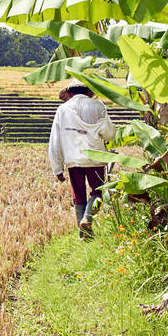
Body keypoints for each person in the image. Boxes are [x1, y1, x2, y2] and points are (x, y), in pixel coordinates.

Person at [49, 84, 115, 237]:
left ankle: (83, 236)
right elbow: (109, 134)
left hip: (73, 160)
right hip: (95, 158)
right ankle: (87, 219)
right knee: (98, 191)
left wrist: (57, 168)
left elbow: (55, 140)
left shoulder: (62, 109)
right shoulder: (98, 106)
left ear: (69, 93)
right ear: (88, 92)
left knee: (78, 195)